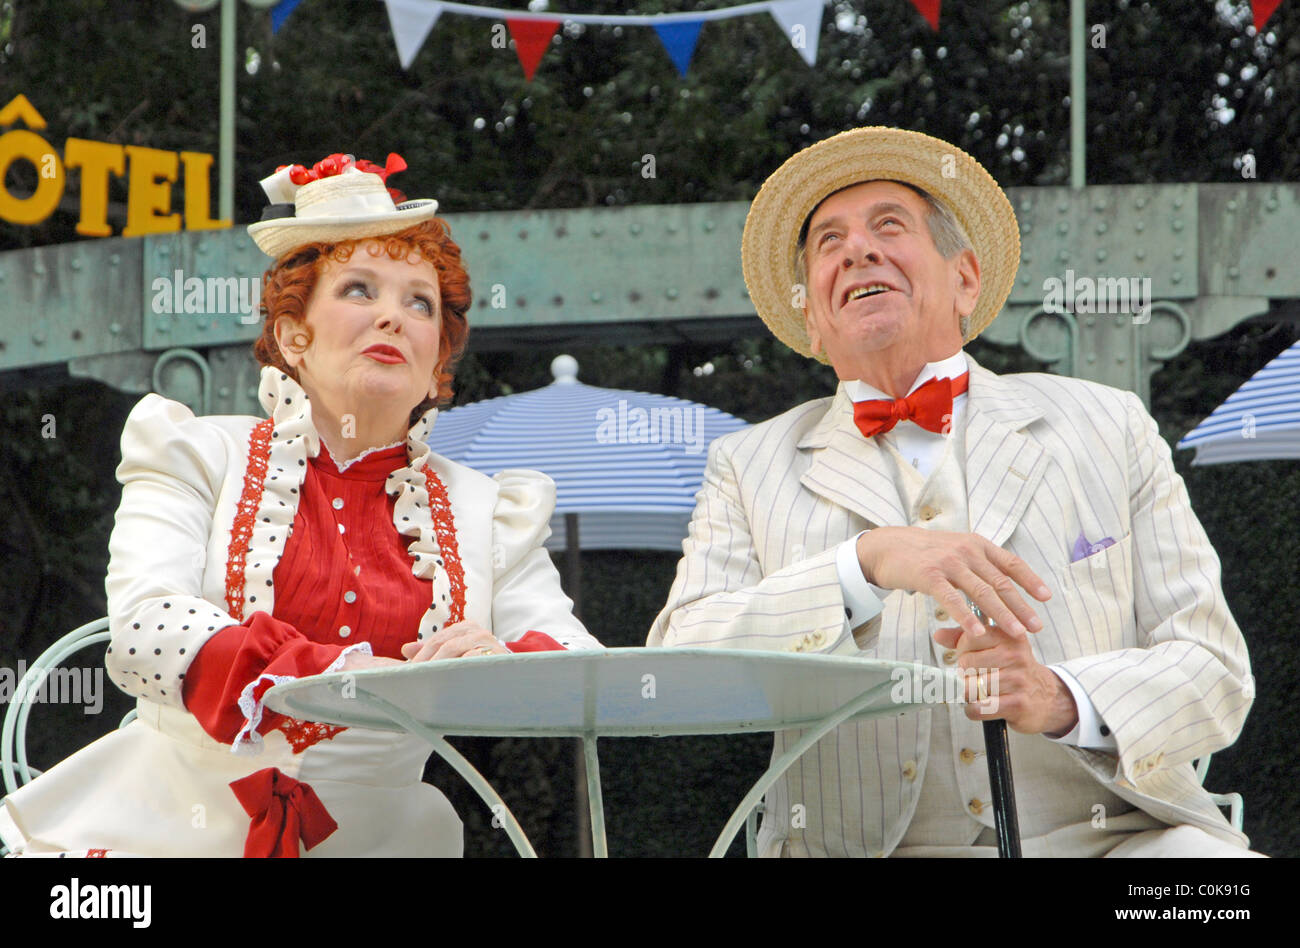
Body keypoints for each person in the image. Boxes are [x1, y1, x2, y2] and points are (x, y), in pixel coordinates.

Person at [648, 127, 1259, 858]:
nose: (858, 249)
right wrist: (861, 564)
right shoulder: (747, 465)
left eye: (889, 225)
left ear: (965, 279)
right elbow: (679, 666)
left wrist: (1058, 696)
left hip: (1115, 843)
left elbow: (1213, 668)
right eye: (827, 240)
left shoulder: (1109, 422)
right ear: (811, 316)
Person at [0, 152, 600, 857]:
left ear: (439, 362)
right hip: (163, 827)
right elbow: (144, 632)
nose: (392, 317)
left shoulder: (487, 508)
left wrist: (499, 661)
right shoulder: (197, 451)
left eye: (419, 302)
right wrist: (332, 672)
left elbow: (577, 671)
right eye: (358, 289)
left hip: (384, 841)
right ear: (293, 337)